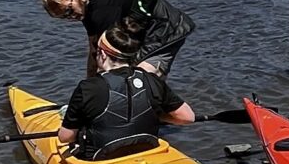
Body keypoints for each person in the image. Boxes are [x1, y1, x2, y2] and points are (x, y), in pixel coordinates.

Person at [55, 27, 196, 156]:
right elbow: (187, 117)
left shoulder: (88, 87)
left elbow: (65, 137)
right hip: (147, 151)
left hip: (101, 159)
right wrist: (157, 116)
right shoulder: (152, 80)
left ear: (103, 54)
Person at [40, 0, 196, 77]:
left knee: (140, 79)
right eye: (64, 17)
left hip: (167, 30)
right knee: (125, 75)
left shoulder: (101, 9)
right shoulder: (86, 3)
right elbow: (94, 50)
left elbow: (108, 57)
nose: (71, 17)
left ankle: (152, 112)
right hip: (142, 30)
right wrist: (88, 85)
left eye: (68, 10)